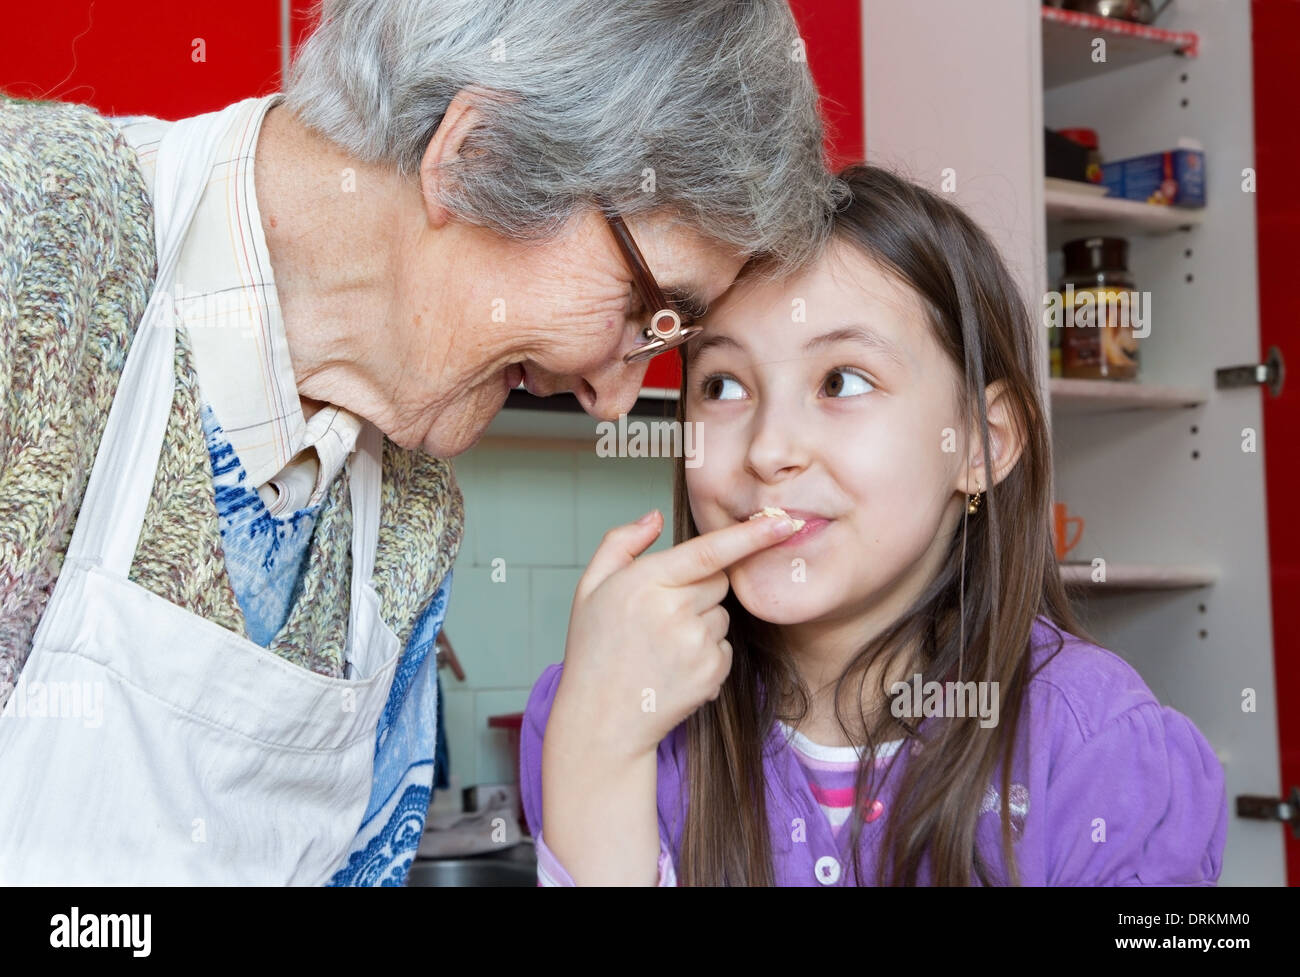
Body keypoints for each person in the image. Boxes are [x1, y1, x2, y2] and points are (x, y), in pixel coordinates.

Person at [0, 0, 840, 885]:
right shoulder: (34, 236)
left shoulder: (409, 513)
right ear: (480, 152)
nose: (615, 399)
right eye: (646, 309)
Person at [521, 164, 1228, 885]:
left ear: (983, 443)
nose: (768, 450)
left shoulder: (1098, 747)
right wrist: (600, 747)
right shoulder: (611, 713)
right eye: (723, 385)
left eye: (841, 381)